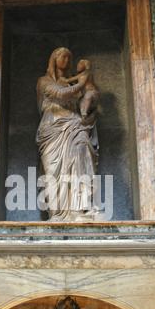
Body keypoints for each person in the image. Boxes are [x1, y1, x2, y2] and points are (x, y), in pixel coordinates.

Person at [36, 47, 101, 221]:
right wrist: (82, 82)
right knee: (52, 171)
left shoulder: (74, 84)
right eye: (62, 56)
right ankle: (56, 213)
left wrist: (91, 95)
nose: (66, 60)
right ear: (54, 60)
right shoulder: (44, 81)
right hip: (52, 129)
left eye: (68, 57)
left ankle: (82, 209)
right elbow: (60, 94)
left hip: (74, 125)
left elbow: (87, 104)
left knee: (82, 156)